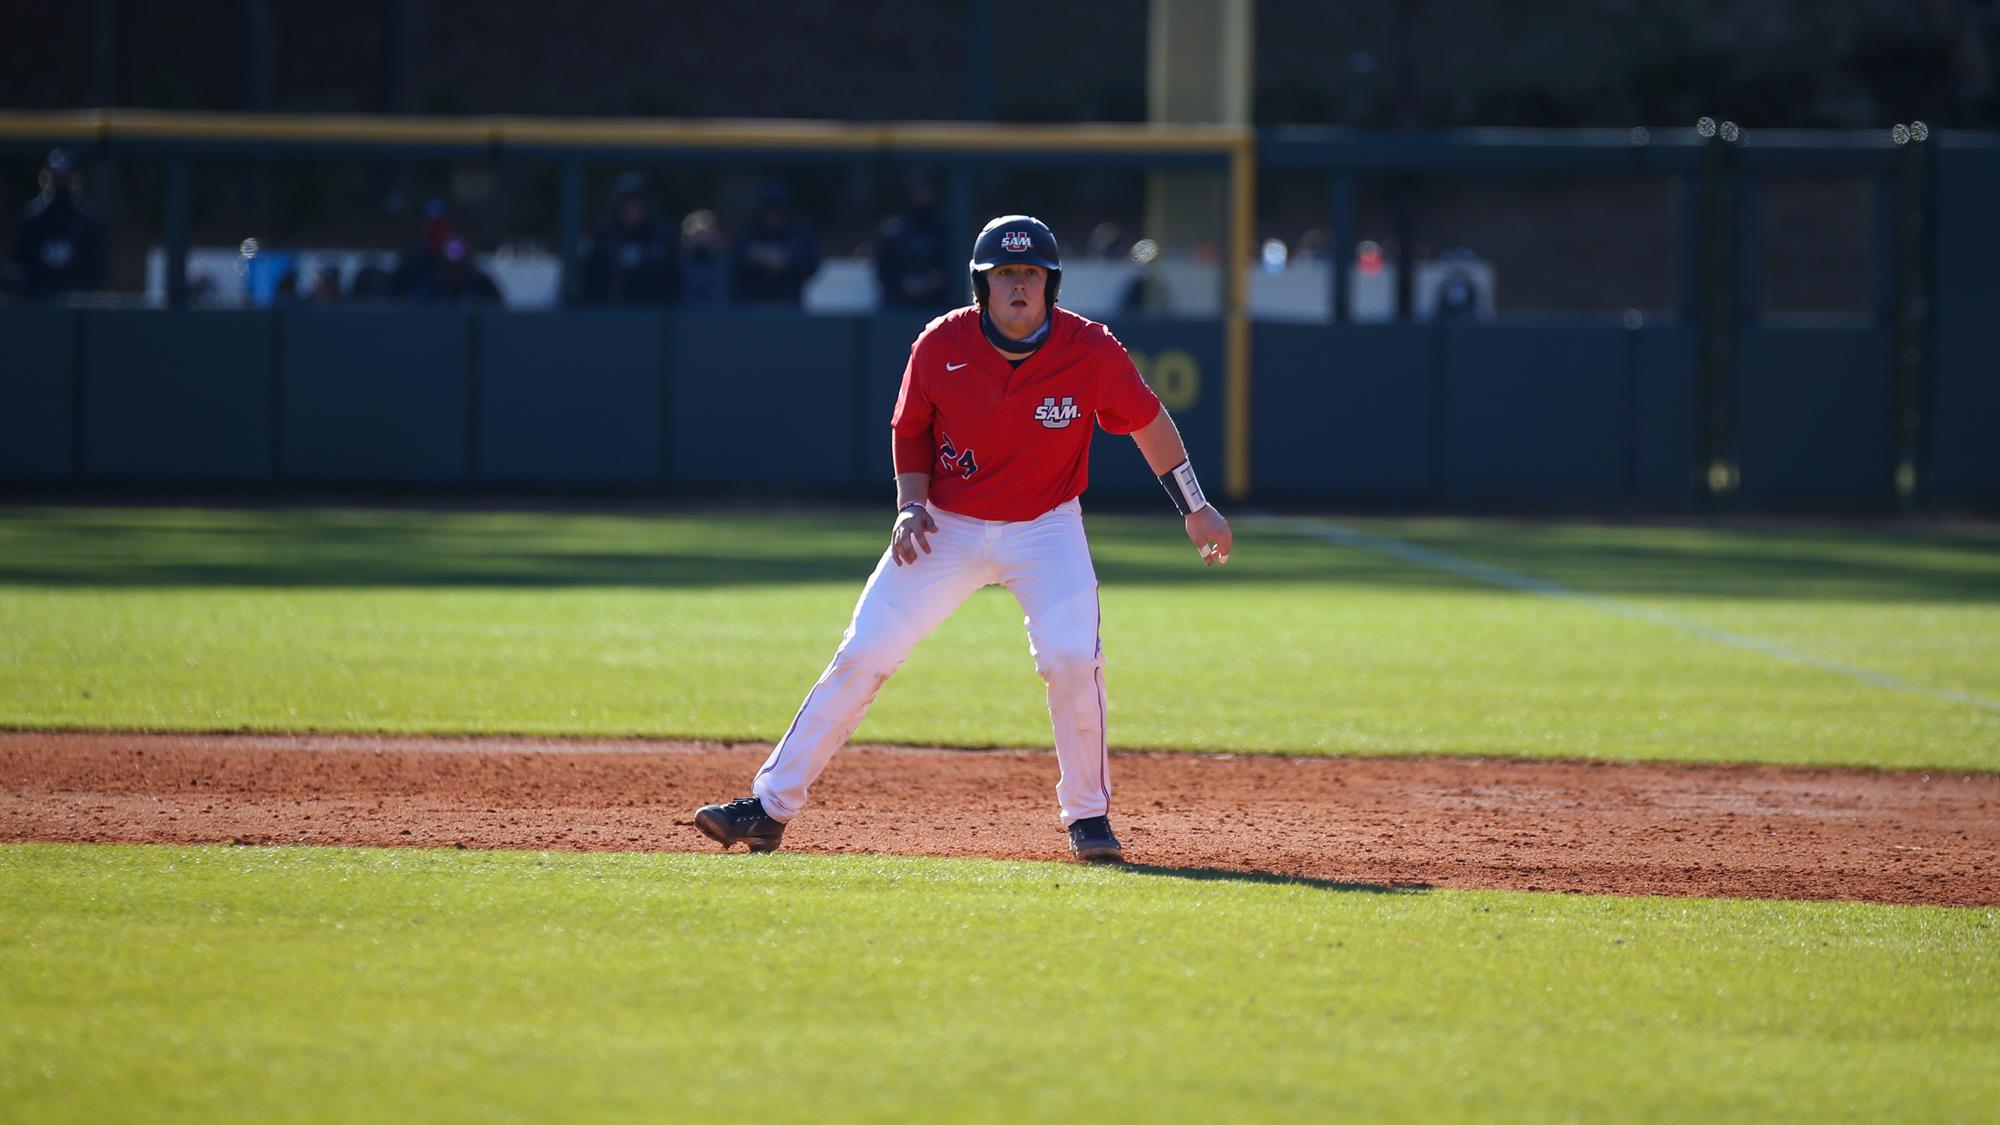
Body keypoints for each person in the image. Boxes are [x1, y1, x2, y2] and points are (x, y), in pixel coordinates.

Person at [695, 215, 1233, 864]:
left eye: (1031, 273)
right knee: (865, 651)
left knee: (1070, 659)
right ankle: (769, 807)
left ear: (1050, 284)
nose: (1018, 286)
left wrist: (1195, 506)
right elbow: (910, 428)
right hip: (944, 523)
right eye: (1004, 273)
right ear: (981, 284)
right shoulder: (939, 344)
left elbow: (1149, 421)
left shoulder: (1090, 350)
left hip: (1045, 526)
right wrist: (909, 505)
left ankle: (1088, 814)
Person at [7, 149, 107, 299]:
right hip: (38, 307)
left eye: (65, 178)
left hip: (78, 308)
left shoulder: (88, 222)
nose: (60, 184)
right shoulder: (30, 220)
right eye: (55, 178)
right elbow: (18, 267)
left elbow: (99, 271)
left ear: (75, 179)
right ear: (45, 178)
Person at [578, 172, 678, 305]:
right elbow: (589, 280)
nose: (634, 208)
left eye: (639, 201)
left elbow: (673, 280)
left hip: (653, 316)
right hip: (609, 316)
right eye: (628, 201)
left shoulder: (662, 236)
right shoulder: (603, 235)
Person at [729, 181, 821, 304]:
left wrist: (787, 261)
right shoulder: (749, 231)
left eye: (778, 209)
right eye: (769, 209)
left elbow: (811, 263)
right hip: (751, 301)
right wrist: (759, 257)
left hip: (787, 301)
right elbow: (735, 259)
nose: (774, 215)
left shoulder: (798, 231)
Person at [872, 173, 952, 309]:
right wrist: (905, 284)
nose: (920, 195)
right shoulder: (896, 230)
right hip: (900, 308)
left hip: (937, 306)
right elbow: (884, 271)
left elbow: (951, 267)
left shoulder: (944, 229)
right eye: (916, 190)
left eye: (924, 189)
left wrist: (932, 282)